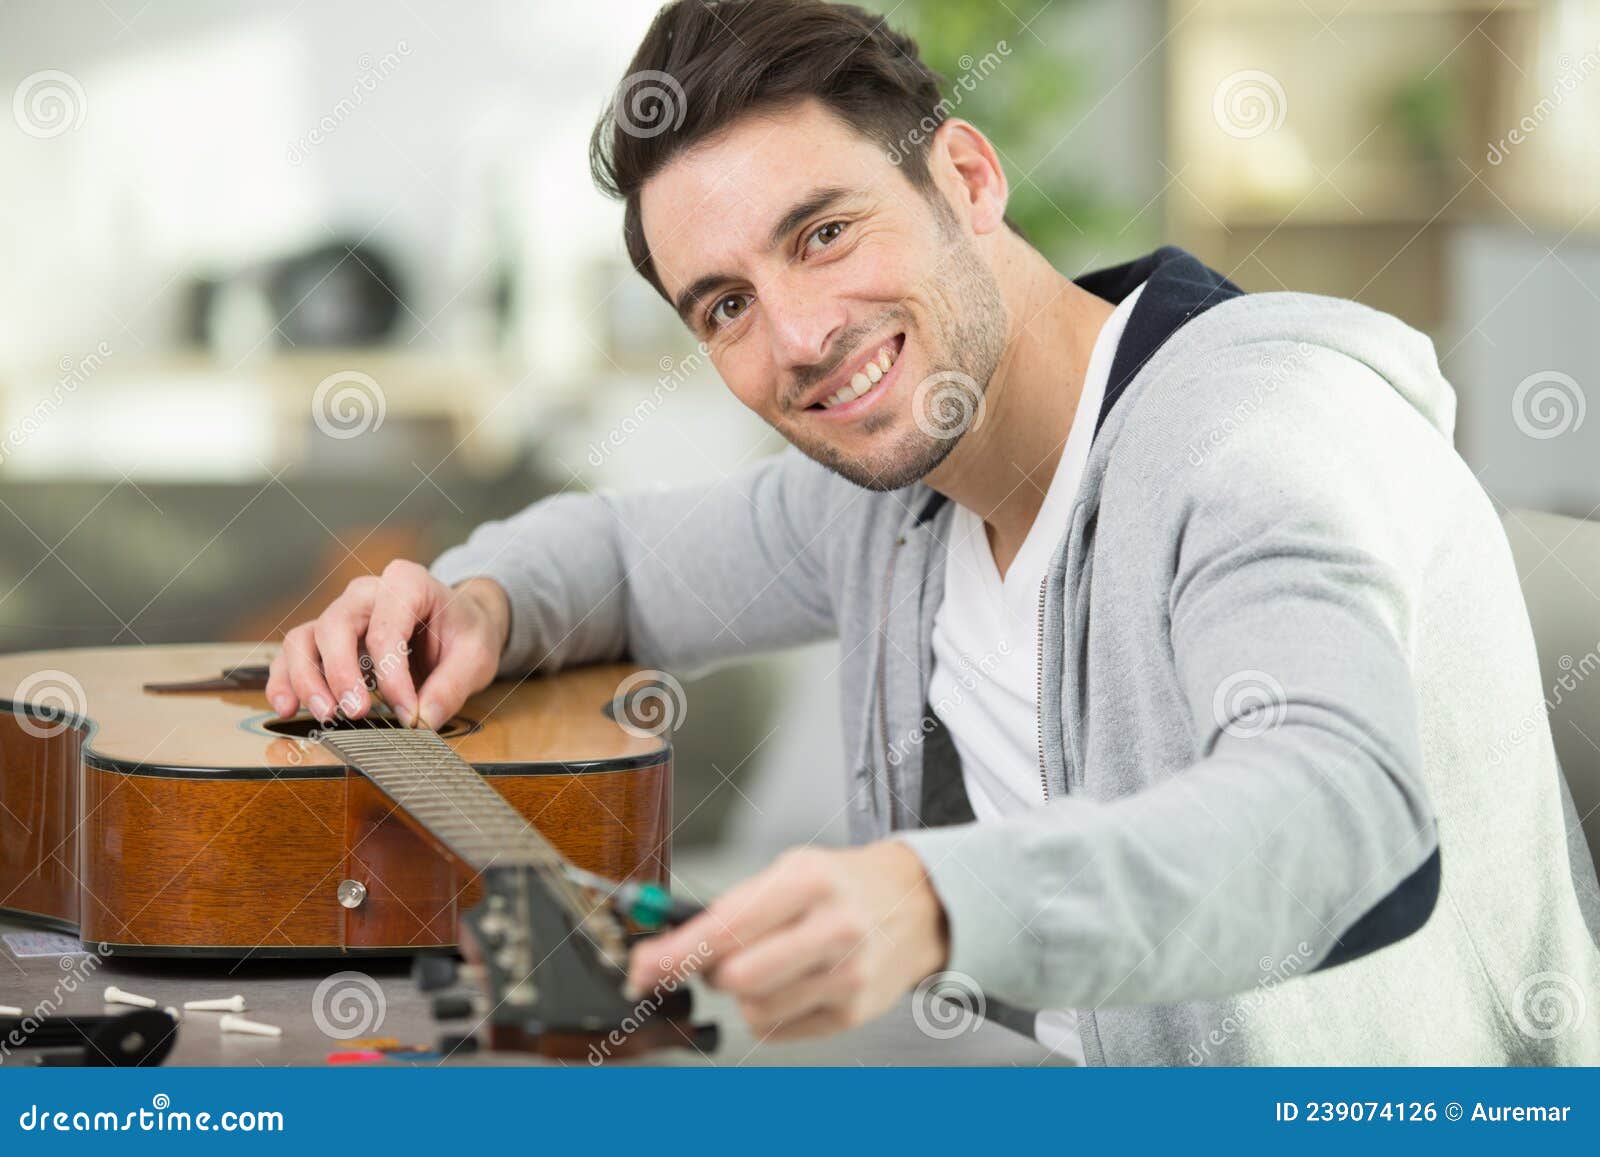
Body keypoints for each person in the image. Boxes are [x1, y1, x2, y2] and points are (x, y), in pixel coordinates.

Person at [266, 0, 1600, 1064]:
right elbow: (619, 556)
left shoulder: (1258, 432)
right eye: (723, 304)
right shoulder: (892, 496)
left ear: (967, 175)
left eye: (824, 231)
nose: (797, 336)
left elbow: (1342, 812)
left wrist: (936, 897)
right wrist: (468, 598)